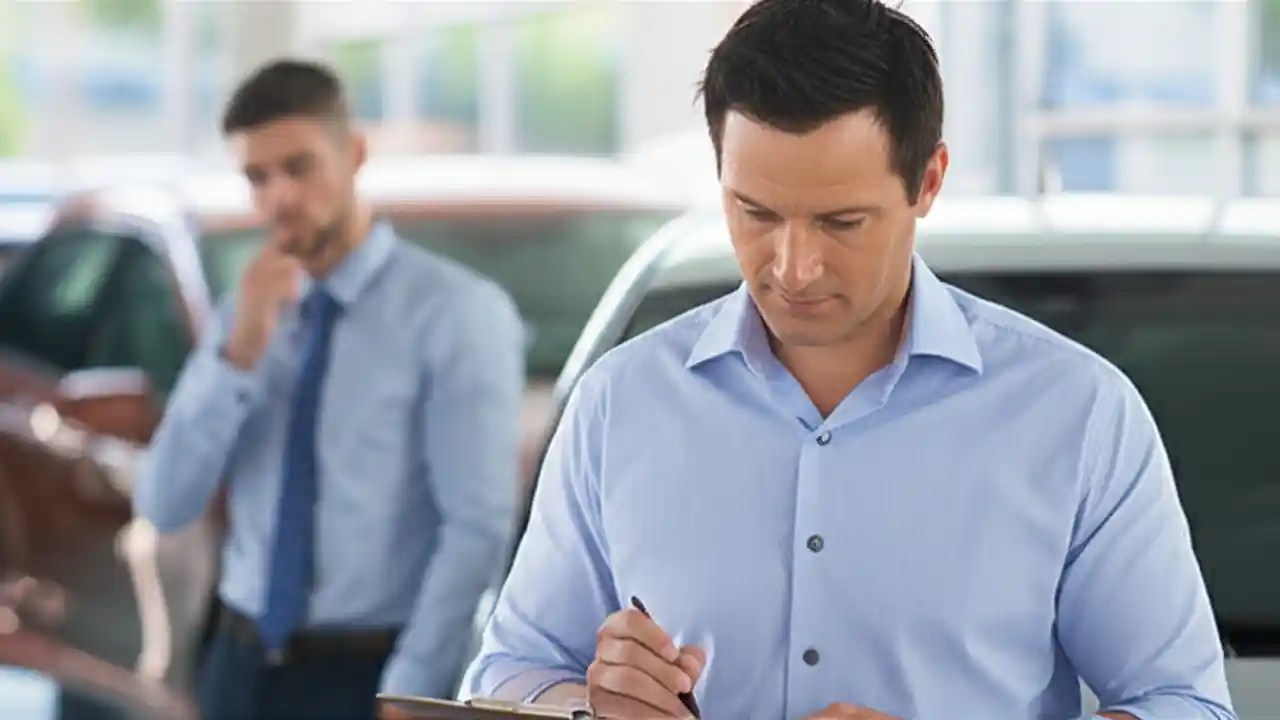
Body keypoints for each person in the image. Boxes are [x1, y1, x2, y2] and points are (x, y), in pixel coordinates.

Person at [458, 2, 1237, 719]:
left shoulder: (1079, 416)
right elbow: (508, 672)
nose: (793, 267)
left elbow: (1186, 703)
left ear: (928, 180)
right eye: (755, 214)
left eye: (841, 222)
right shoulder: (618, 403)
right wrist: (591, 709)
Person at [134, 59, 525, 719]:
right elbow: (166, 504)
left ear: (356, 153)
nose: (278, 198)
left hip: (365, 675)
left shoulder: (455, 313)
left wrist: (411, 687)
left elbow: (476, 529)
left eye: (299, 167)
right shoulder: (246, 313)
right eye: (257, 178)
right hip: (236, 663)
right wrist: (236, 358)